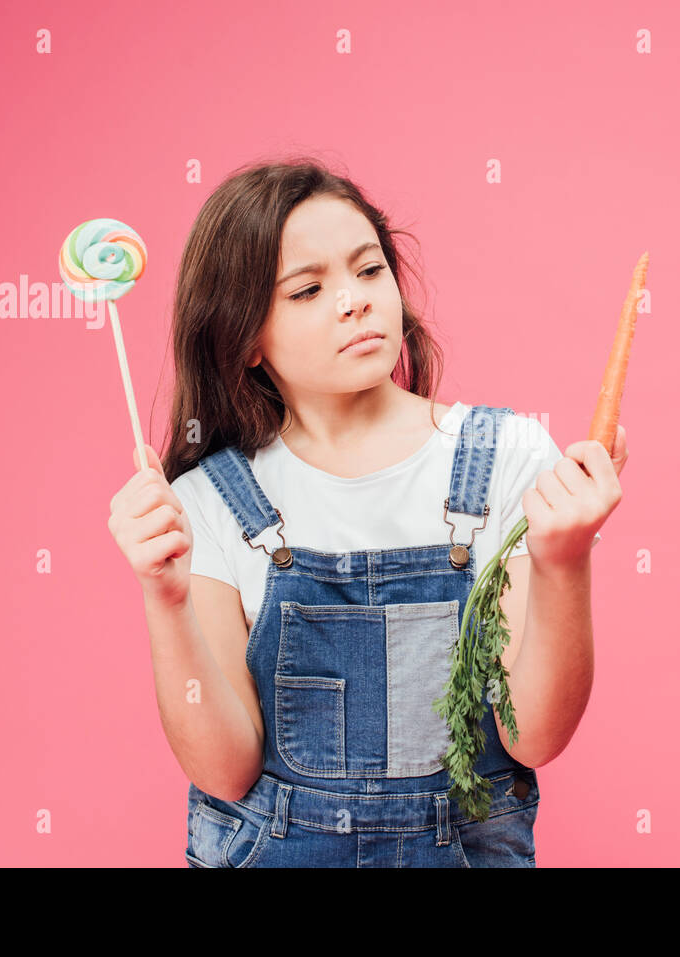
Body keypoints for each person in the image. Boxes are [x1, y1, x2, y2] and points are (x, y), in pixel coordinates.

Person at [106, 158, 628, 867]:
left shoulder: (507, 453)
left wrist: (565, 559)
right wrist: (164, 600)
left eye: (370, 270)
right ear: (246, 337)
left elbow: (533, 735)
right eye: (310, 289)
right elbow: (224, 770)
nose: (354, 300)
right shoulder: (208, 500)